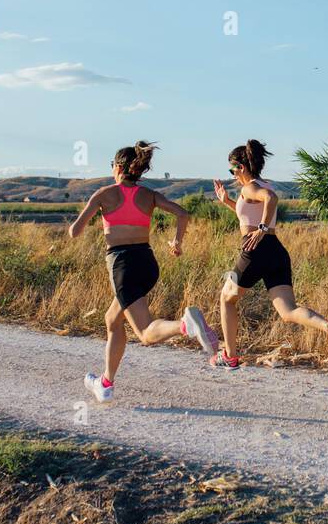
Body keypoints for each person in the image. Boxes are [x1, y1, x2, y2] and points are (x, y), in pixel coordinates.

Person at [68, 140, 219, 401]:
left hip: (122, 265)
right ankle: (105, 383)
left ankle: (185, 325)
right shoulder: (149, 195)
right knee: (112, 320)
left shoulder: (104, 194)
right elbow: (182, 214)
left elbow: (74, 232)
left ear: (117, 167)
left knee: (146, 333)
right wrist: (177, 243)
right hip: (148, 264)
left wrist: (95, 216)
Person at [209, 139, 328, 368]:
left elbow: (269, 200)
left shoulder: (250, 187)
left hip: (255, 250)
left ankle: (229, 355)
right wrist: (227, 201)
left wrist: (261, 230)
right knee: (288, 310)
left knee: (226, 298)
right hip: (275, 251)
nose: (233, 175)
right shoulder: (263, 185)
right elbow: (250, 213)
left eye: (232, 169)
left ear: (241, 168)